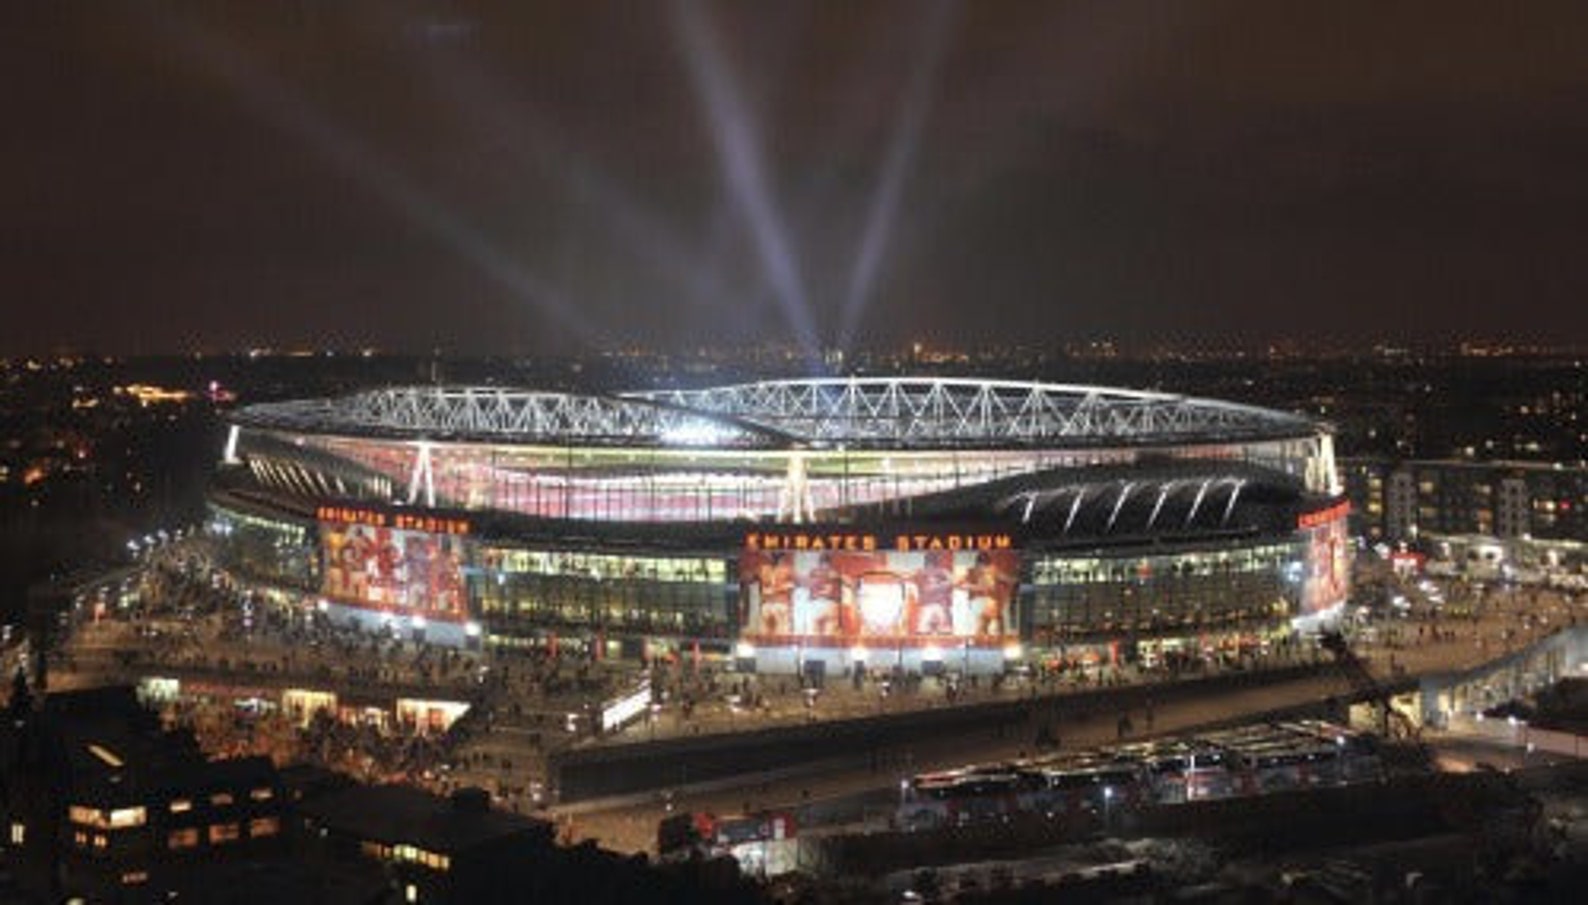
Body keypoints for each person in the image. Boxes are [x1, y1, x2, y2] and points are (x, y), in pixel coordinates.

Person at [964, 552, 1012, 636]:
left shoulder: (992, 571)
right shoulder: (977, 572)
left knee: (992, 628)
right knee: (984, 628)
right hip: (988, 605)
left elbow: (1005, 581)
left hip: (992, 605)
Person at [798, 553, 845, 637]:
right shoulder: (835, 574)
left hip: (816, 604)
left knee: (812, 635)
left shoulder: (814, 572)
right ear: (830, 562)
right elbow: (840, 594)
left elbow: (805, 584)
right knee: (830, 637)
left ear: (819, 562)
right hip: (830, 604)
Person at [909, 551, 956, 636]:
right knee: (923, 632)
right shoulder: (920, 572)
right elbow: (908, 578)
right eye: (930, 559)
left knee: (944, 632)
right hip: (928, 606)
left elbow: (954, 582)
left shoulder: (943, 572)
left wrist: (943, 586)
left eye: (932, 559)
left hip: (941, 606)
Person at [755, 552, 794, 636]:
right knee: (766, 635)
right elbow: (761, 587)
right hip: (770, 605)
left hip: (778, 604)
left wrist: (774, 590)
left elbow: (791, 586)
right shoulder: (764, 569)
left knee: (780, 635)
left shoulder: (787, 569)